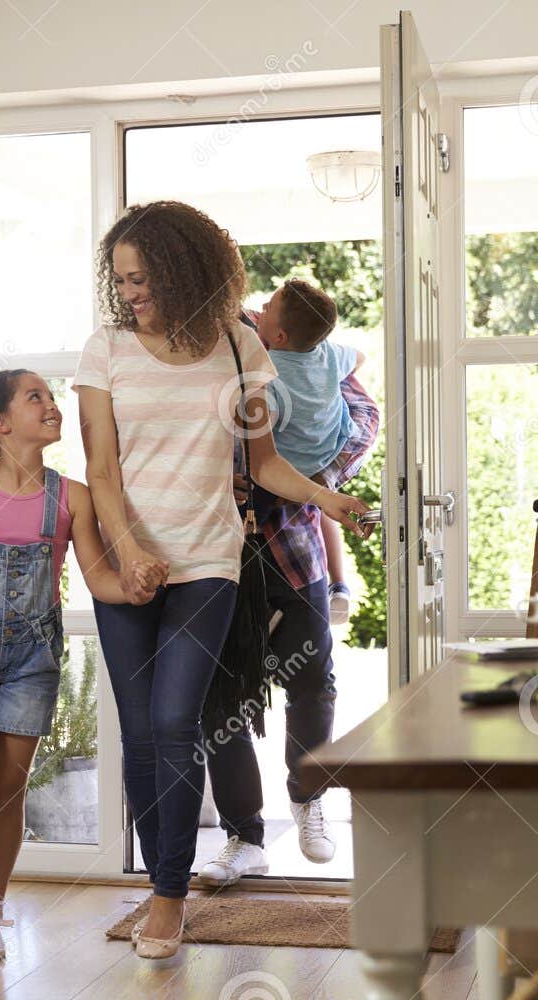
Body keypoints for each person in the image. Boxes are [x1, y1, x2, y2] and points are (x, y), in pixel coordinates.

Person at [75, 201, 370, 960]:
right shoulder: (105, 350)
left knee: (177, 720)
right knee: (141, 734)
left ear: (183, 269)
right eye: (122, 280)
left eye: (142, 278)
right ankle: (162, 882)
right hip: (126, 565)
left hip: (207, 561)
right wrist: (131, 551)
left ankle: (169, 895)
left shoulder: (240, 347)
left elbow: (264, 461)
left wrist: (326, 496)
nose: (131, 292)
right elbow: (101, 471)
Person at [0, 369, 158, 964]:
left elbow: (95, 577)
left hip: (32, 660)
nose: (51, 404)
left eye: (50, 396)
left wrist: (134, 589)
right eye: (34, 397)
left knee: (10, 789)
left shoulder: (72, 496)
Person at [197, 318, 381, 886]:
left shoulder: (282, 342)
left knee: (312, 680)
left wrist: (312, 478)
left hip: (292, 547)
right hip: (211, 550)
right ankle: (243, 838)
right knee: (221, 697)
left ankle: (308, 796)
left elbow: (365, 416)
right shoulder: (179, 352)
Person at [253, 278, 371, 626]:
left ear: (279, 338)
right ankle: (339, 586)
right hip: (330, 450)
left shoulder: (269, 373)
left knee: (252, 518)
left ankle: (261, 600)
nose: (261, 308)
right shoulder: (327, 353)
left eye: (269, 307)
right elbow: (360, 357)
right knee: (323, 506)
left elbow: (265, 425)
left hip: (288, 471)